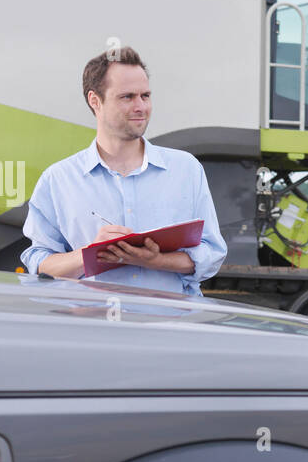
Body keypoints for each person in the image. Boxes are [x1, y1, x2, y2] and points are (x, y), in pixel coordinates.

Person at [20, 47, 226, 296]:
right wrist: (90, 253)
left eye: (145, 96)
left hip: (169, 318)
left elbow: (212, 254)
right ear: (95, 101)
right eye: (127, 97)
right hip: (96, 319)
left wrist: (156, 260)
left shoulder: (186, 170)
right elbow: (40, 265)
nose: (140, 107)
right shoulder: (58, 180)